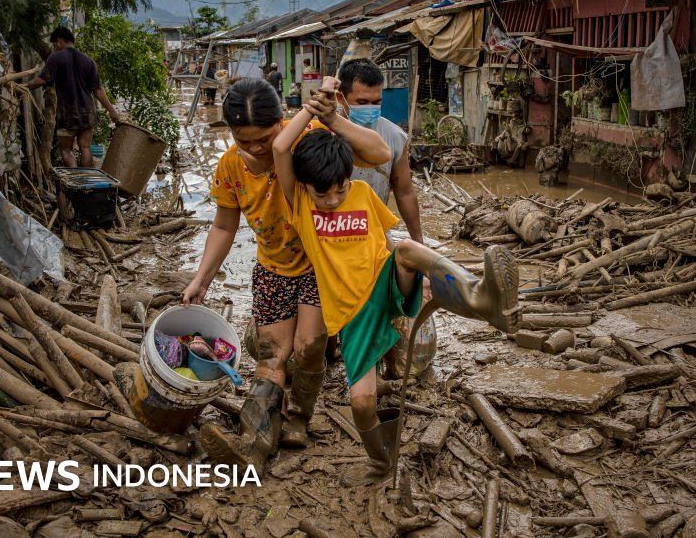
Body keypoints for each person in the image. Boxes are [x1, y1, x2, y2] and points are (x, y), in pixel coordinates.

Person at [271, 78, 521, 485]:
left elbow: (384, 238)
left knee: (405, 249)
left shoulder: (361, 194)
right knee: (361, 401)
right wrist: (312, 110)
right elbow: (282, 147)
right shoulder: (299, 201)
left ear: (349, 177)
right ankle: (381, 462)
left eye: (339, 190)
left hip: (385, 284)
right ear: (305, 187)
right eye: (323, 195)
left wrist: (422, 279)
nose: (332, 200)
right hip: (353, 315)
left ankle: (481, 297)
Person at [183, 78, 390, 473]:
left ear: (281, 120)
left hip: (320, 265)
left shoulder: (304, 138)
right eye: (244, 141)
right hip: (274, 268)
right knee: (272, 355)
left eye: (264, 138)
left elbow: (380, 153)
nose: (256, 148)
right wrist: (202, 279)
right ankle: (253, 443)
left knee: (309, 346)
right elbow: (224, 226)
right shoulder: (230, 167)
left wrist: (333, 118)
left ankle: (299, 416)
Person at [337, 58, 429, 300]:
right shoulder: (324, 133)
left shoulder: (394, 136)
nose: (370, 109)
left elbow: (404, 191)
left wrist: (419, 243)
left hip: (373, 236)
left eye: (376, 102)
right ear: (341, 98)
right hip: (330, 235)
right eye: (362, 102)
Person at [27, 27, 120, 168]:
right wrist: (111, 110)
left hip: (67, 114)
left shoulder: (56, 58)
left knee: (66, 150)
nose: (54, 48)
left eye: (54, 45)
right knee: (85, 148)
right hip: (87, 113)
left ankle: (75, 180)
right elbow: (98, 90)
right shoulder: (89, 61)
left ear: (59, 41)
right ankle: (86, 179)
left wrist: (24, 85)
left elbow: (42, 80)